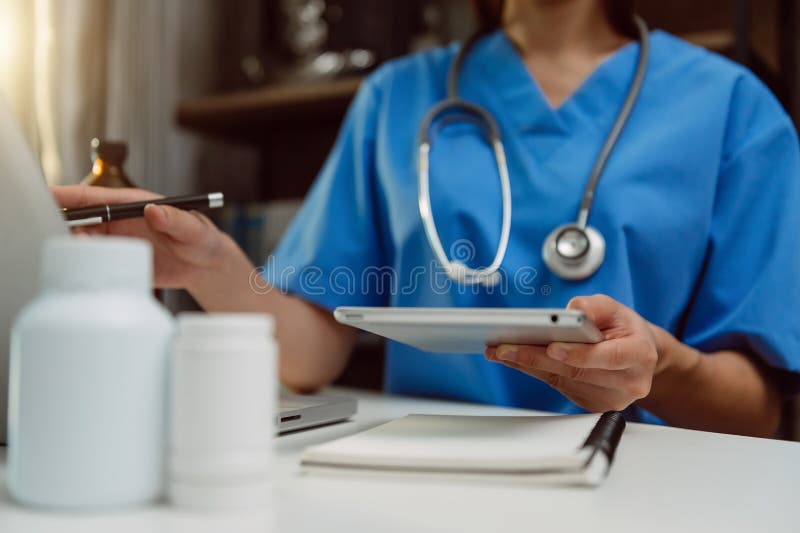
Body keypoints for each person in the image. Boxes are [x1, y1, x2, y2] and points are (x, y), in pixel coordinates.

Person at [54, 0, 800, 437]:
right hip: (424, 467)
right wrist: (205, 263)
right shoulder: (396, 97)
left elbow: (759, 411)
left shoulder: (732, 106)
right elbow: (312, 352)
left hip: (645, 481)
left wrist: (661, 366)